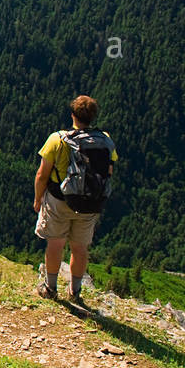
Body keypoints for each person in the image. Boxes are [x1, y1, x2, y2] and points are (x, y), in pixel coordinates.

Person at [32, 95, 117, 303]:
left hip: (59, 200)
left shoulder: (58, 139)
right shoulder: (105, 140)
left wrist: (37, 199)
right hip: (89, 202)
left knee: (56, 243)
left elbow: (42, 174)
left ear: (72, 115)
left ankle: (50, 288)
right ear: (93, 116)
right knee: (80, 248)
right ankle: (75, 292)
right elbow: (109, 170)